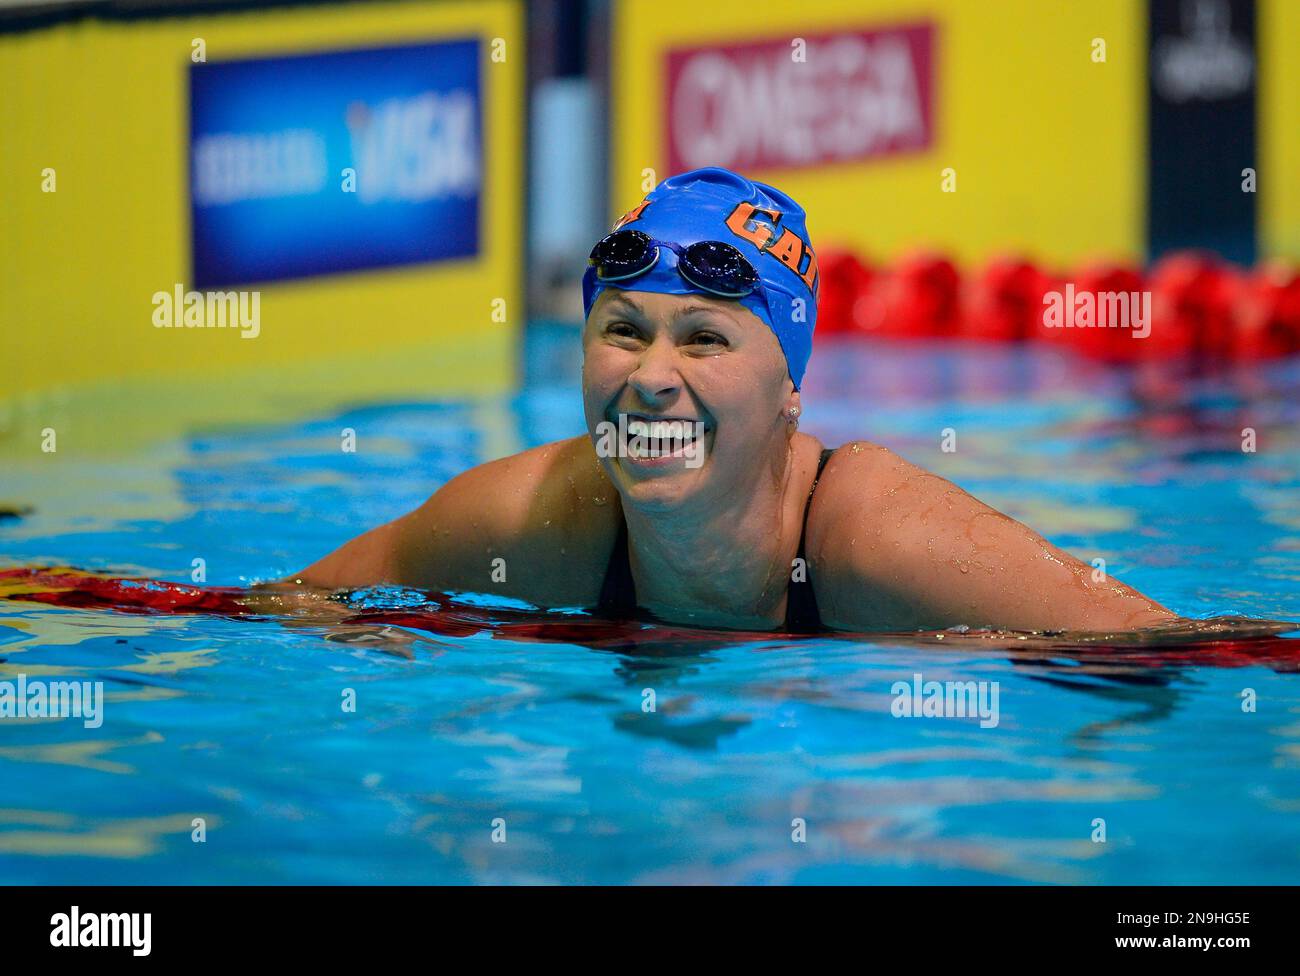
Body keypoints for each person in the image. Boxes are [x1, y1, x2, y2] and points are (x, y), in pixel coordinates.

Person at [290, 167, 1177, 634]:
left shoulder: (874, 536)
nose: (650, 377)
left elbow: (1176, 650)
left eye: (706, 339)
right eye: (623, 330)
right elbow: (292, 605)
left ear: (791, 389)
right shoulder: (538, 520)